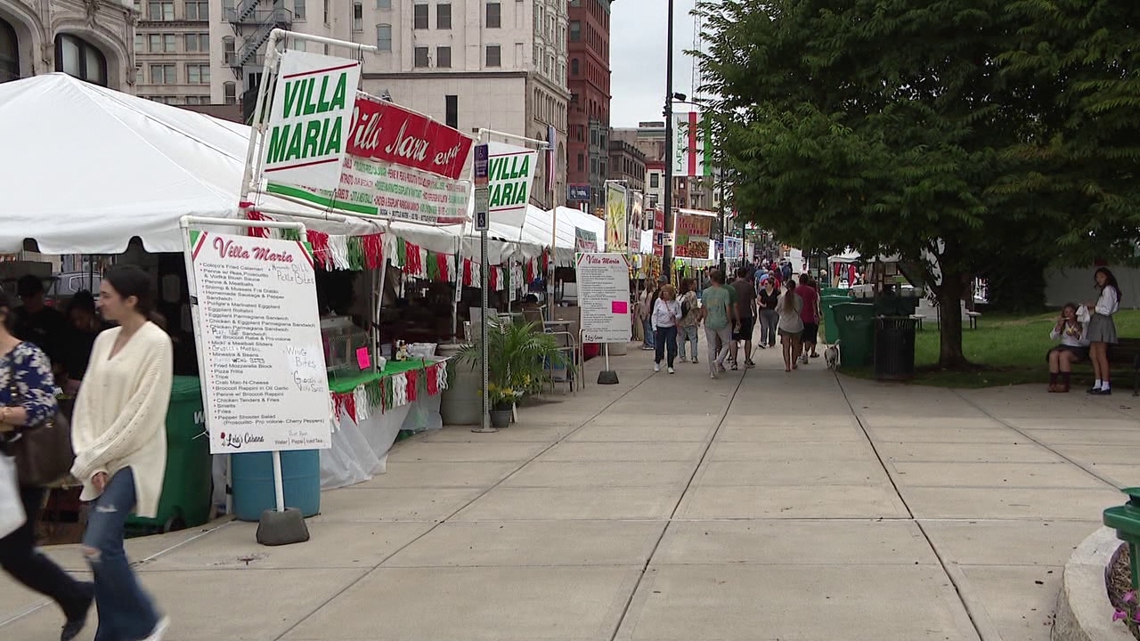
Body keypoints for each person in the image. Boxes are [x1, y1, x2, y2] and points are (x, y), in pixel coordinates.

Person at [71, 265, 173, 641]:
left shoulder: (156, 343)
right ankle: (111, 631)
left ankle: (146, 620)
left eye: (105, 295)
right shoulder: (103, 340)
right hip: (101, 457)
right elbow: (86, 405)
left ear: (131, 300)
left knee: (98, 542)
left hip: (136, 457)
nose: (98, 302)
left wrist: (99, 456)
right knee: (100, 549)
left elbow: (141, 415)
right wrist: (92, 458)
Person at [0, 291, 95, 641]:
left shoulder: (26, 355)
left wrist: (4, 413)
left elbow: (43, 406)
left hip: (19, 464)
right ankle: (76, 596)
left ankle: (76, 596)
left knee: (14, 552)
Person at [12, 275, 72, 376]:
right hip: (17, 370)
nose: (27, 301)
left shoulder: (55, 319)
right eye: (24, 297)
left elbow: (62, 352)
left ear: (40, 293)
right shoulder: (15, 316)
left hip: (47, 371)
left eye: (31, 296)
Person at [63, 291, 107, 393]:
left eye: (81, 318)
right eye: (74, 320)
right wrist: (60, 395)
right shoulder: (70, 334)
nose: (77, 323)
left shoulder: (106, 333)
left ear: (91, 313)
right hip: (71, 387)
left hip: (97, 386)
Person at [1085, 267, 1121, 395]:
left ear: (1107, 277)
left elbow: (1106, 310)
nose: (1099, 279)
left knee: (1101, 354)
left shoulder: (1109, 290)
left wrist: (1094, 307)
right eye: (1097, 277)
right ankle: (1097, 382)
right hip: (1097, 321)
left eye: (1102, 277)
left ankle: (1105, 385)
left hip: (1103, 322)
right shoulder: (1104, 291)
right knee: (1093, 354)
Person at [701, 270, 737, 380]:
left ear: (711, 279)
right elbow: (728, 308)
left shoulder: (706, 292)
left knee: (711, 346)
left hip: (709, 321)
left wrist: (704, 319)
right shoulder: (724, 292)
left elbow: (704, 308)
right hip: (722, 321)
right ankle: (719, 360)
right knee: (726, 343)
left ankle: (712, 371)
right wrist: (729, 320)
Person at [1047, 303, 1089, 393]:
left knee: (1064, 355)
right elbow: (1052, 337)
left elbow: (1086, 342)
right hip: (1064, 346)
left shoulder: (1082, 324)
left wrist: (1076, 335)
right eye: (1066, 312)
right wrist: (1058, 326)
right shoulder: (1063, 324)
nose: (1068, 314)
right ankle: (1053, 383)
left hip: (1077, 348)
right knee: (1053, 354)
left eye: (1071, 312)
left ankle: (1065, 384)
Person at [651, 284, 683, 374]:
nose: (665, 294)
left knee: (670, 346)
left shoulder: (675, 303)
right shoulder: (658, 301)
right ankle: (657, 362)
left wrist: (675, 316)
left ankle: (670, 365)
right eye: (664, 292)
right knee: (659, 346)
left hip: (671, 327)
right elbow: (654, 314)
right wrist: (654, 327)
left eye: (667, 292)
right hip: (660, 326)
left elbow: (679, 314)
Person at [730, 267, 757, 369]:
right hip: (746, 314)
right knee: (748, 338)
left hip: (734, 315)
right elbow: (752, 302)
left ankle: (734, 361)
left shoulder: (732, 286)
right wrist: (755, 313)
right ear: (746, 274)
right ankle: (747, 359)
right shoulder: (749, 286)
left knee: (734, 338)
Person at [778, 279, 804, 373]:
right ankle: (794, 363)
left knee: (786, 347)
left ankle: (787, 366)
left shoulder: (782, 299)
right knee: (795, 345)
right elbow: (800, 310)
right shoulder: (799, 299)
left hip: (785, 325)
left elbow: (777, 309)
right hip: (796, 325)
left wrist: (783, 314)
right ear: (795, 288)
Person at [796, 274, 822, 364]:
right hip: (809, 317)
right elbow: (814, 303)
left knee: (799, 339)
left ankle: (799, 355)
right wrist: (816, 315)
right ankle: (805, 352)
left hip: (798, 317)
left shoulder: (796, 290)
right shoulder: (811, 291)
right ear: (807, 281)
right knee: (808, 338)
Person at [677, 278, 701, 364]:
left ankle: (682, 356)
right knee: (693, 338)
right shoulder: (692, 294)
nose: (695, 285)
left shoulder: (679, 296)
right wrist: (698, 318)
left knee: (681, 339)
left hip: (681, 320)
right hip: (690, 320)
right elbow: (694, 307)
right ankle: (694, 356)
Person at [757, 277, 780, 350]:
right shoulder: (762, 292)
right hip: (763, 312)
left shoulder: (776, 292)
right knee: (764, 327)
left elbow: (779, 301)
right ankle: (763, 341)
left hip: (773, 312)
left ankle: (772, 342)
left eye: (767, 284)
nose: (765, 285)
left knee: (772, 328)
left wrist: (777, 307)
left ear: (771, 284)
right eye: (765, 284)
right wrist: (762, 305)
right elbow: (758, 300)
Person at [638, 283, 657, 351]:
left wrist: (646, 313)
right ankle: (647, 342)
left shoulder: (649, 295)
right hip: (644, 312)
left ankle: (650, 343)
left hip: (646, 313)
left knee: (648, 328)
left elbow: (648, 305)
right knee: (646, 328)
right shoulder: (648, 293)